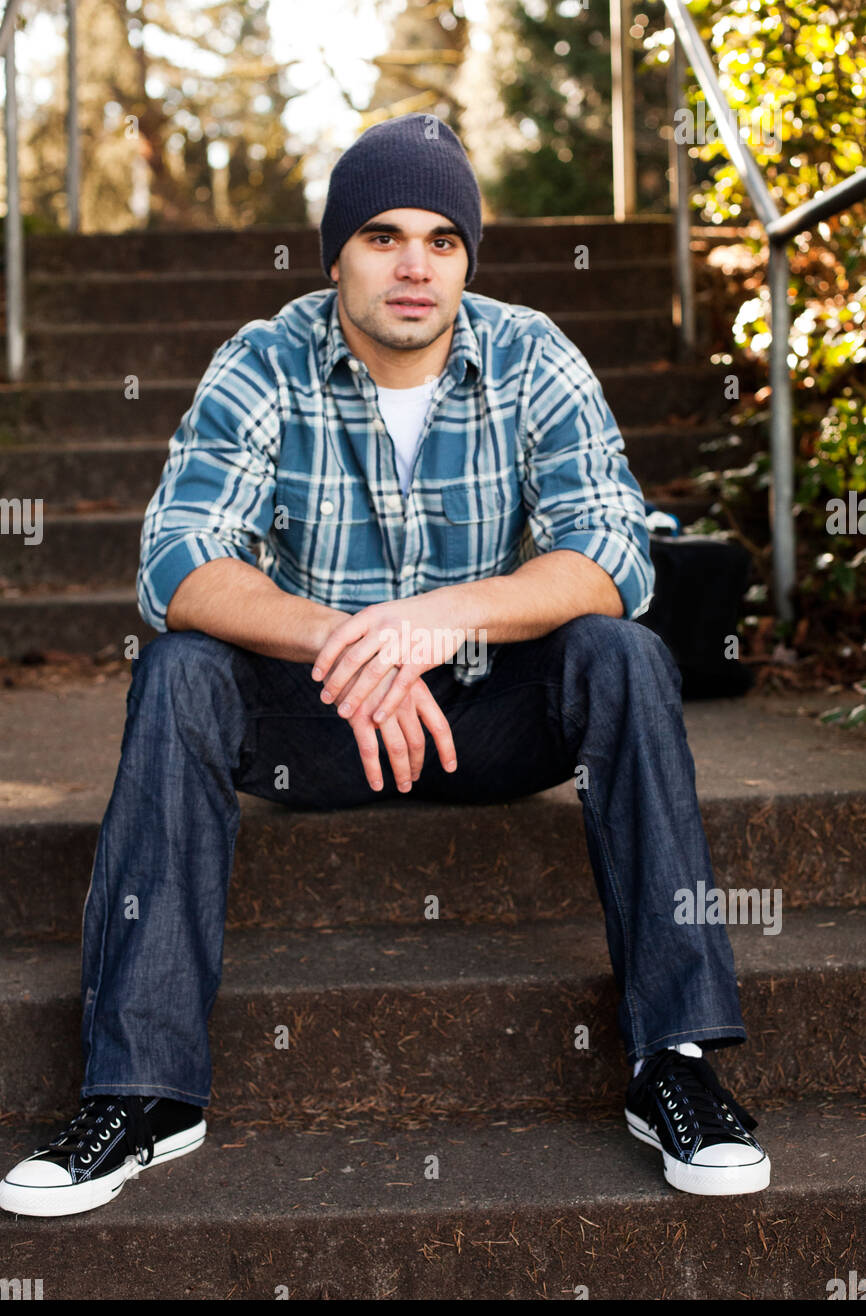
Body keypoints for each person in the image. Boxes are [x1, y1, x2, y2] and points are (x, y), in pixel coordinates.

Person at [0, 113, 769, 1219]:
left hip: (491, 722)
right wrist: (348, 639)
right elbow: (176, 559)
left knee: (622, 653)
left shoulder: (529, 351)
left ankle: (676, 1061)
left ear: (465, 258)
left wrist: (437, 619)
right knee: (177, 667)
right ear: (334, 255)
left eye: (442, 239)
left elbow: (610, 550)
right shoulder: (264, 358)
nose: (414, 264)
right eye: (381, 234)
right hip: (313, 732)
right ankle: (142, 1090)